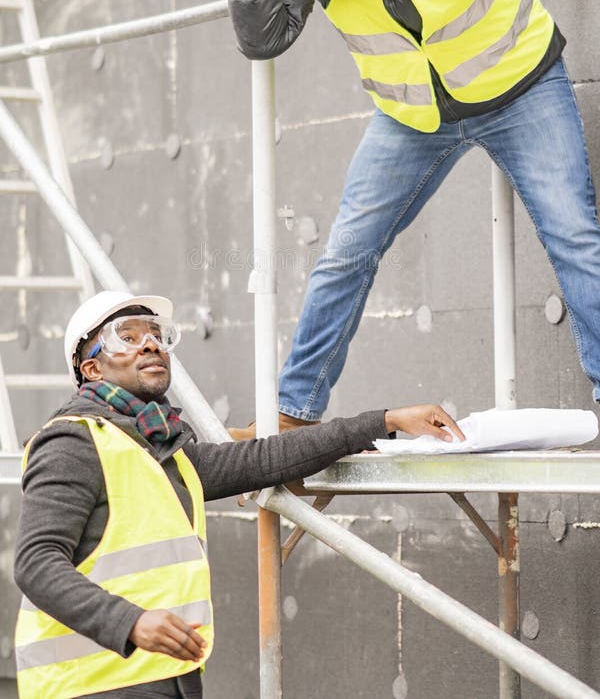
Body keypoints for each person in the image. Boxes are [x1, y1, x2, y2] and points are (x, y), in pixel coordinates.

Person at [228, 0, 600, 435]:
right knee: (345, 256)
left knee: (575, 240)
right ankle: (292, 419)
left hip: (521, 88)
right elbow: (262, 37)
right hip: (413, 119)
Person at [13, 290, 464, 699]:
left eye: (157, 335)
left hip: (160, 676)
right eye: (125, 337)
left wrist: (383, 420)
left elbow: (264, 459)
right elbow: (36, 561)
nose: (150, 344)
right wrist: (129, 622)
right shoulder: (74, 440)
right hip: (91, 684)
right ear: (91, 368)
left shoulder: (163, 452)